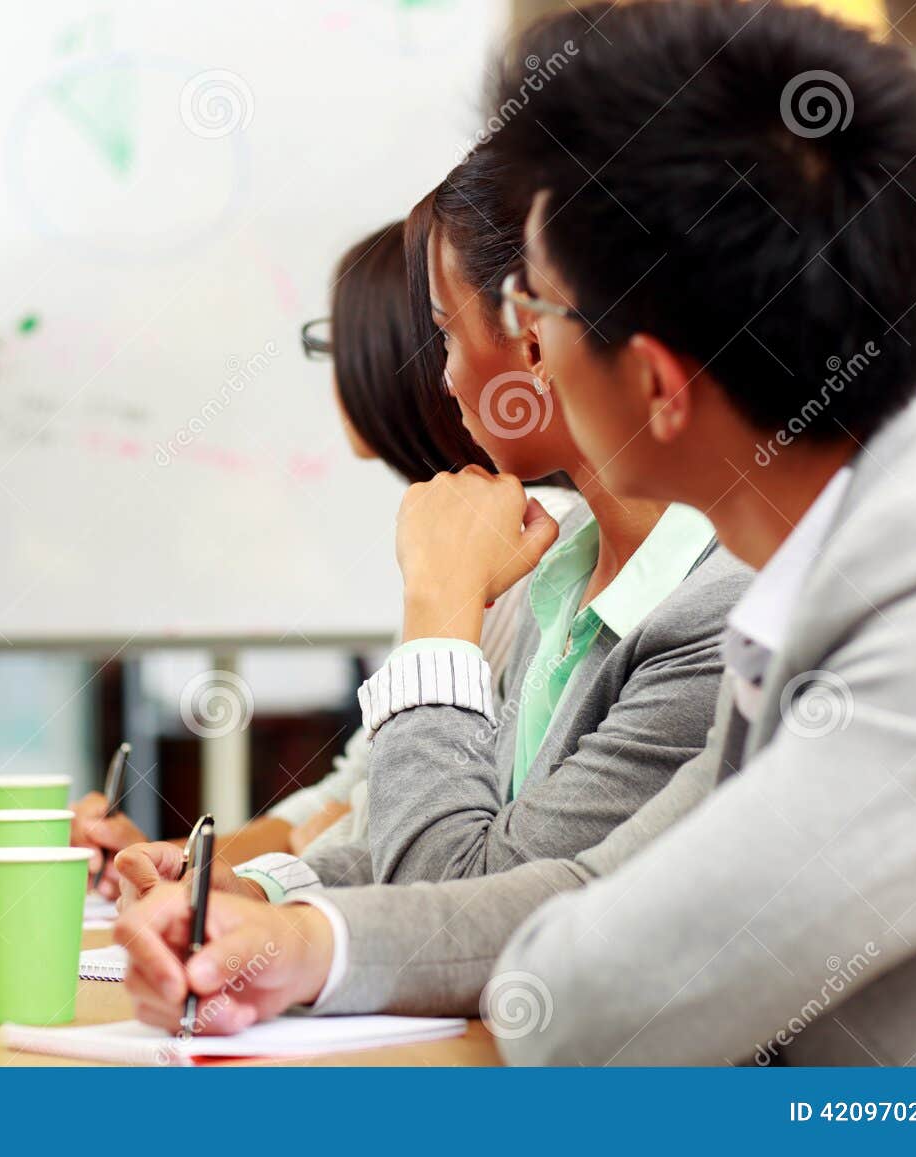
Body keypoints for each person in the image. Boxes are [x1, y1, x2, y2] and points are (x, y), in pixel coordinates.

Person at [116, 0, 916, 1065]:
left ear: (658, 384)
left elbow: (604, 1003)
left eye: (542, 305)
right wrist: (306, 940)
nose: (527, 354)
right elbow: (589, 884)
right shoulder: (845, 548)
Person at [117, 143, 749, 905]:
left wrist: (440, 602)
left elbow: (451, 894)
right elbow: (396, 831)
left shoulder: (709, 608)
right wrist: (243, 893)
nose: (443, 375)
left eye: (445, 331)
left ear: (531, 338)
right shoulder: (565, 567)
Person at [69, 220, 574, 886]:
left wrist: (316, 838)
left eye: (333, 340)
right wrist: (189, 864)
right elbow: (357, 785)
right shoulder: (453, 528)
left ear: (401, 353)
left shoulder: (534, 539)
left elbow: (413, 842)